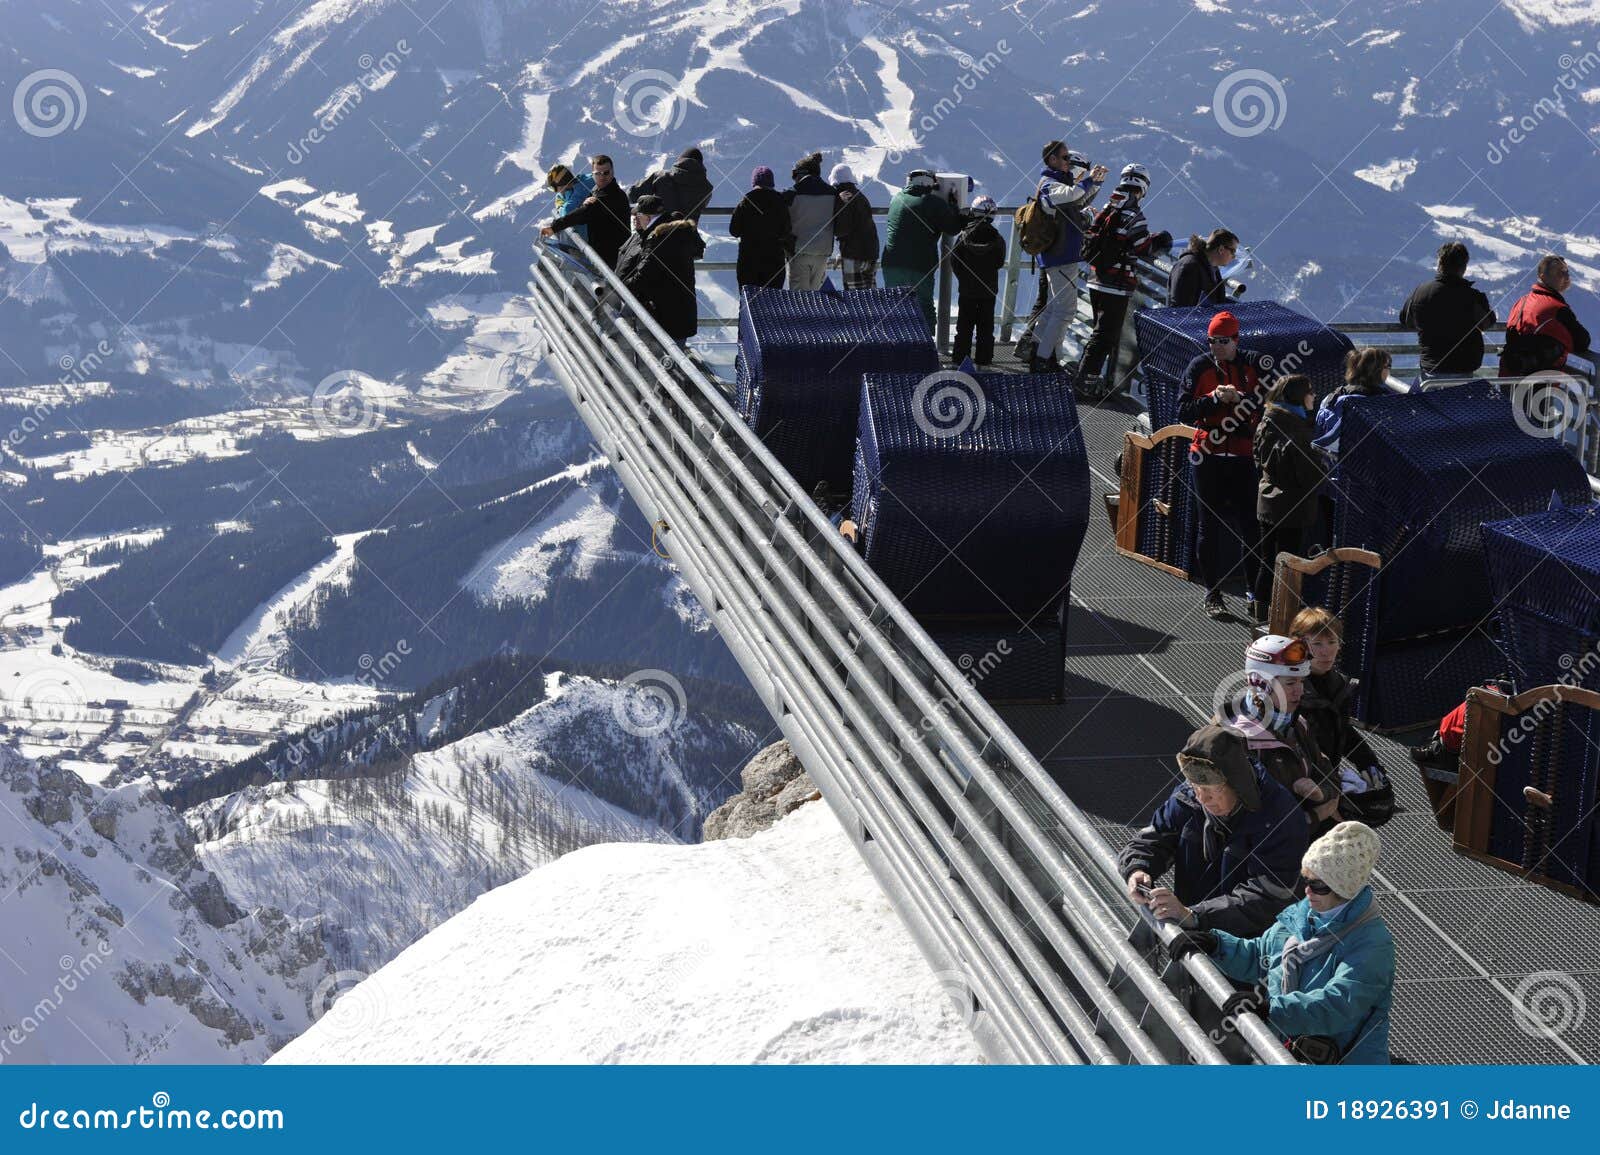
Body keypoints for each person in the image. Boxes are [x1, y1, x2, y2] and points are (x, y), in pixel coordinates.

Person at [1169, 821, 1395, 1064]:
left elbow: (1340, 1003)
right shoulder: (1302, 915)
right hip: (1288, 1054)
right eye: (1305, 880)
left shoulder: (1372, 945)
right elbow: (1261, 957)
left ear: (1345, 889)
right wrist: (1216, 944)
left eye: (1318, 885)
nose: (1307, 891)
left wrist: (1272, 1009)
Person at [1119, 722, 1307, 937]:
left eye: (1211, 789)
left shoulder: (1281, 819)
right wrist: (1138, 868)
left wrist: (1195, 915)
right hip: (1193, 924)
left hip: (1250, 945)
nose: (1202, 798)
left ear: (1238, 784)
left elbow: (1268, 898)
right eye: (1195, 786)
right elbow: (1154, 838)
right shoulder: (1188, 797)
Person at [1179, 309, 1268, 619]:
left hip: (1243, 455)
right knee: (1209, 526)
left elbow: (1269, 400)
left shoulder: (1254, 363)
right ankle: (1212, 592)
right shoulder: (1199, 366)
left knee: (1251, 526)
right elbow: (1183, 411)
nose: (1216, 346)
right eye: (1211, 341)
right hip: (1207, 455)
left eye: (1223, 341)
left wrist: (1241, 398)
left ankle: (1254, 592)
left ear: (1236, 340)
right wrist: (1214, 399)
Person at [1290, 607, 1395, 827]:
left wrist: (1368, 763)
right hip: (1297, 785)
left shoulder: (1338, 685)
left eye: (1332, 642)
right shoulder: (1291, 690)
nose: (1326, 652)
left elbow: (1342, 729)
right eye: (1317, 644)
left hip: (1328, 780)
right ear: (1299, 646)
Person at [1229, 634, 1344, 836]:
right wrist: (1315, 815)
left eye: (1301, 682)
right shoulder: (1236, 741)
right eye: (1290, 684)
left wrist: (1320, 793)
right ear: (1261, 685)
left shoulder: (1297, 724)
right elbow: (1250, 825)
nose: (1300, 691)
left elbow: (1330, 777)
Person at [1074, 164, 1172, 397]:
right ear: (1143, 187)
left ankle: (1084, 377)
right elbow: (1142, 247)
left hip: (1096, 277)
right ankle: (1085, 383)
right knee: (1105, 336)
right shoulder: (1133, 214)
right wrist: (1160, 241)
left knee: (1099, 332)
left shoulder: (1109, 207)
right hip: (1116, 284)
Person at [1020, 143, 1107, 372]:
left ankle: (1038, 353)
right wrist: (1089, 180)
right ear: (1052, 160)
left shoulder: (1056, 184)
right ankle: (1044, 360)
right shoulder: (1050, 185)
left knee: (1052, 308)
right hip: (1061, 257)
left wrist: (1095, 183)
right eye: (1065, 157)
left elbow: (1077, 202)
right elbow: (1072, 195)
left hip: (1058, 256)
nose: (1069, 161)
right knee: (1065, 311)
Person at [1253, 373, 1327, 614]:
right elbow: (1308, 474)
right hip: (1293, 505)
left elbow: (1258, 458)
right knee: (1290, 562)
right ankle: (1282, 615)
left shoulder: (1268, 419)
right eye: (1310, 391)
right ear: (1298, 396)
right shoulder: (1297, 429)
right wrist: (1324, 466)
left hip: (1267, 500)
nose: (1314, 395)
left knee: (1268, 559)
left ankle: (1260, 608)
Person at [1398, 241, 1495, 379]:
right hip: (1462, 367)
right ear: (1463, 267)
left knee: (1429, 393)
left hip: (1430, 367)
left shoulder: (1420, 292)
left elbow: (1406, 320)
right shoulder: (1472, 297)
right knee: (1461, 395)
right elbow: (1487, 322)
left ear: (1440, 264)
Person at [881, 169, 963, 332]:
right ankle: (924, 343)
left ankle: (894, 342)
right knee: (923, 308)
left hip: (891, 263)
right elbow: (953, 228)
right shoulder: (934, 203)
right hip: (919, 265)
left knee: (894, 306)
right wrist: (953, 206)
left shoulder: (897, 198)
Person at [618, 195, 705, 345]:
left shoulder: (658, 238)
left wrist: (620, 287)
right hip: (679, 312)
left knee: (661, 355)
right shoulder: (676, 232)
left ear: (647, 217)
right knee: (674, 351)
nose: (636, 219)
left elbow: (644, 274)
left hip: (665, 314)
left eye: (638, 215)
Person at [1502, 254, 1592, 376]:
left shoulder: (1521, 301)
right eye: (1560, 272)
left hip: (1509, 376)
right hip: (1540, 381)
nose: (1567, 277)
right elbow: (1582, 341)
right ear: (1543, 276)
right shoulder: (1556, 308)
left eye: (1567, 272)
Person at [542, 154, 630, 269]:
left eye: (606, 173)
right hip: (609, 252)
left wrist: (554, 227)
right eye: (597, 173)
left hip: (612, 257)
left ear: (612, 172)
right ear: (592, 174)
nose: (602, 177)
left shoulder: (607, 195)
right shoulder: (594, 187)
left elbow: (576, 213)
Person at [950, 195, 1006, 366]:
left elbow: (955, 262)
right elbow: (999, 262)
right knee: (986, 327)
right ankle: (984, 360)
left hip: (967, 290)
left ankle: (960, 360)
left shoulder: (963, 237)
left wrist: (964, 279)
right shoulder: (997, 239)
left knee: (964, 326)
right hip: (988, 290)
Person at [1312, 347, 1391, 459]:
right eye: (1388, 366)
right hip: (1368, 461)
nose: (1389, 371)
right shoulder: (1381, 402)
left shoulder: (1332, 397)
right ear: (1376, 370)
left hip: (1333, 461)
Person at [782, 152, 838, 291]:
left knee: (800, 299)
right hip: (822, 252)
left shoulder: (791, 194)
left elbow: (782, 223)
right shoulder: (832, 194)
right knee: (815, 298)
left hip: (799, 250)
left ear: (801, 173)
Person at [728, 166, 790, 290]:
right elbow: (786, 230)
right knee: (772, 298)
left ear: (754, 182)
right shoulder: (780, 202)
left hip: (749, 259)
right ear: (772, 183)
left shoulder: (745, 202)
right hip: (774, 259)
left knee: (749, 298)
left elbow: (734, 231)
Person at [628, 146, 714, 224]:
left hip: (659, 230)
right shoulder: (707, 188)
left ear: (679, 161)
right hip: (688, 232)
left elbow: (632, 195)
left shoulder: (661, 176)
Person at [830, 164, 879, 290]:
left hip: (853, 255)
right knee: (870, 295)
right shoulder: (861, 196)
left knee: (854, 297)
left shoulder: (843, 198)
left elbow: (842, 230)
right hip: (871, 253)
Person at [1169, 229, 1239, 308]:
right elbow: (1180, 308)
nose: (1234, 256)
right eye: (1233, 251)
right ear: (1221, 249)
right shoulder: (1189, 266)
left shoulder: (1214, 271)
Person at [543, 163, 595, 251]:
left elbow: (567, 211)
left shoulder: (585, 184)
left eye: (553, 188)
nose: (556, 192)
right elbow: (560, 205)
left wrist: (564, 207)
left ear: (561, 184)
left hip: (591, 239)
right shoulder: (561, 195)